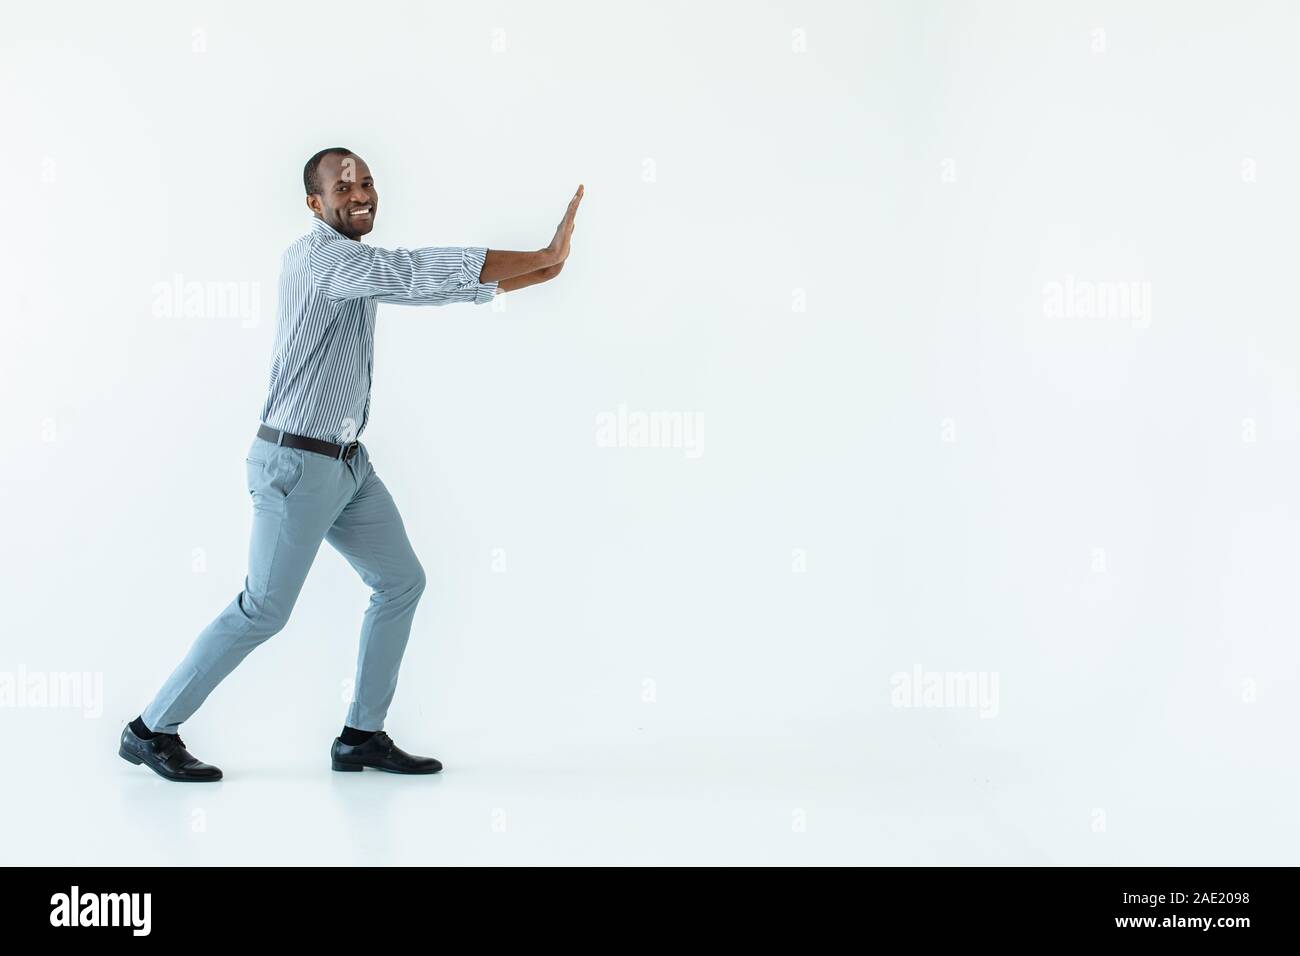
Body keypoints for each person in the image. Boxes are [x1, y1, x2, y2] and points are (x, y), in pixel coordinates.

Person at [119, 147, 584, 781]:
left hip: (346, 466)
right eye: (344, 186)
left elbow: (422, 287)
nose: (360, 192)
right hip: (294, 466)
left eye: (367, 181)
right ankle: (150, 728)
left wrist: (540, 270)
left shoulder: (354, 265)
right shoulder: (321, 258)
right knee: (264, 610)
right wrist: (536, 256)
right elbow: (411, 272)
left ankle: (361, 736)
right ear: (316, 204)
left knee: (401, 583)